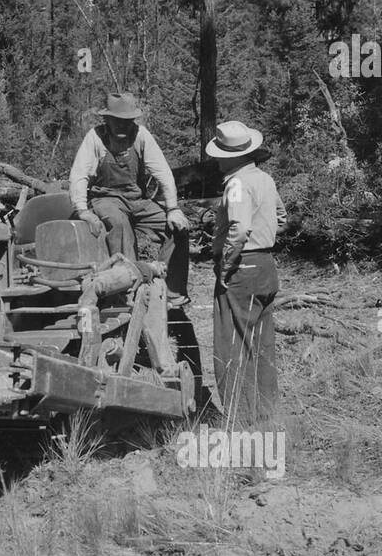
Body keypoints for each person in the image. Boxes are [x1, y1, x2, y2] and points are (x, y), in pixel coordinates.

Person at [68, 92, 191, 306]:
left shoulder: (141, 135)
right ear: (106, 119)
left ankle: (170, 289)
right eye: (117, 121)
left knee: (178, 227)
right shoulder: (95, 137)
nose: (123, 126)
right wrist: (82, 210)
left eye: (127, 121)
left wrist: (173, 208)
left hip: (136, 199)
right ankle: (125, 289)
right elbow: (80, 174)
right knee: (118, 223)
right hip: (105, 198)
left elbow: (162, 171)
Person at [206, 120, 286, 427]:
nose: (216, 160)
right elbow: (281, 217)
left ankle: (239, 419)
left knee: (231, 345)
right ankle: (267, 414)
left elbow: (238, 230)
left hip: (243, 268)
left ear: (230, 157)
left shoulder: (237, 183)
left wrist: (227, 265)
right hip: (266, 266)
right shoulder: (264, 179)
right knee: (262, 345)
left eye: (219, 154)